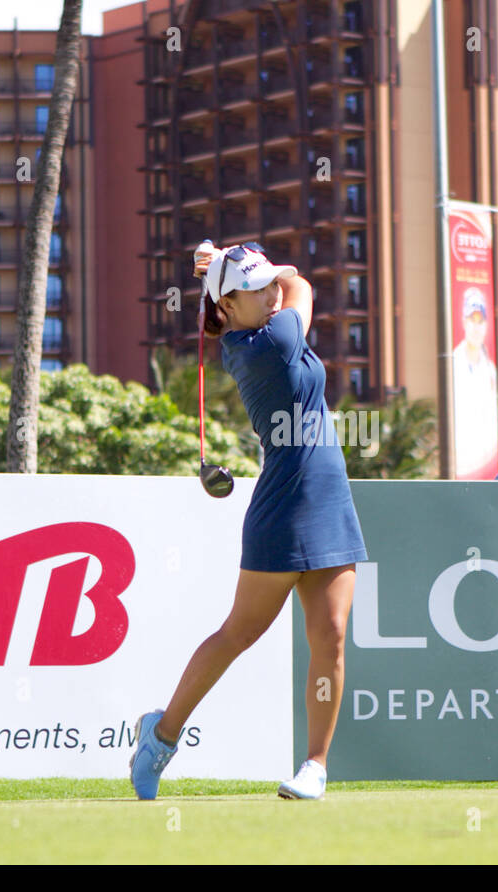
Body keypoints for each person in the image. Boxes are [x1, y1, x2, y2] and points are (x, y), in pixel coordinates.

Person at [129, 241, 368, 801]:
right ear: (226, 308)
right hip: (282, 508)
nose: (268, 294)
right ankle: (160, 737)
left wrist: (225, 266)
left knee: (330, 636)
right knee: (241, 632)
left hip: (329, 498)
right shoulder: (268, 343)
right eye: (253, 290)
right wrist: (241, 267)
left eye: (265, 288)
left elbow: (284, 287)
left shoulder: (260, 327)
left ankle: (314, 766)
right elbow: (300, 284)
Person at [451, 287, 498, 477]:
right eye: (472, 320)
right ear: (464, 322)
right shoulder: (453, 364)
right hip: (459, 467)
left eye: (481, 321)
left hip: (485, 466)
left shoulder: (490, 370)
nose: (476, 327)